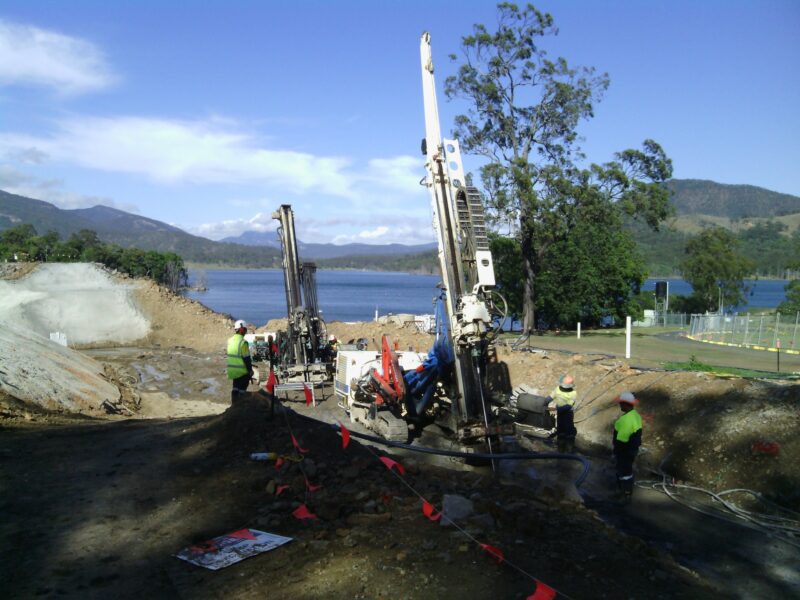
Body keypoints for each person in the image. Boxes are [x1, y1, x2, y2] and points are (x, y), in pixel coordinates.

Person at [612, 391, 643, 499]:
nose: (620, 405)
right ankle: (625, 492)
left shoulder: (625, 420)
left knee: (623, 472)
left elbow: (621, 440)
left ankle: (624, 495)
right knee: (627, 471)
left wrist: (615, 453)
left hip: (624, 451)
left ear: (626, 404)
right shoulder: (636, 416)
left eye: (621, 403)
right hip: (632, 450)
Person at [227, 319, 254, 404]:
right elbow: (246, 358)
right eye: (245, 330)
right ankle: (240, 409)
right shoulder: (243, 342)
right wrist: (250, 371)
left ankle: (233, 406)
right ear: (242, 329)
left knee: (235, 389)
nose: (245, 332)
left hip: (233, 371)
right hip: (242, 372)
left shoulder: (230, 341)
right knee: (242, 391)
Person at [549, 374, 577, 453]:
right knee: (560, 429)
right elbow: (550, 398)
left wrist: (555, 409)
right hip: (560, 413)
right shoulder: (557, 389)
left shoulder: (573, 393)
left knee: (568, 429)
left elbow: (568, 406)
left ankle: (569, 449)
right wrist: (545, 402)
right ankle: (560, 448)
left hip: (568, 413)